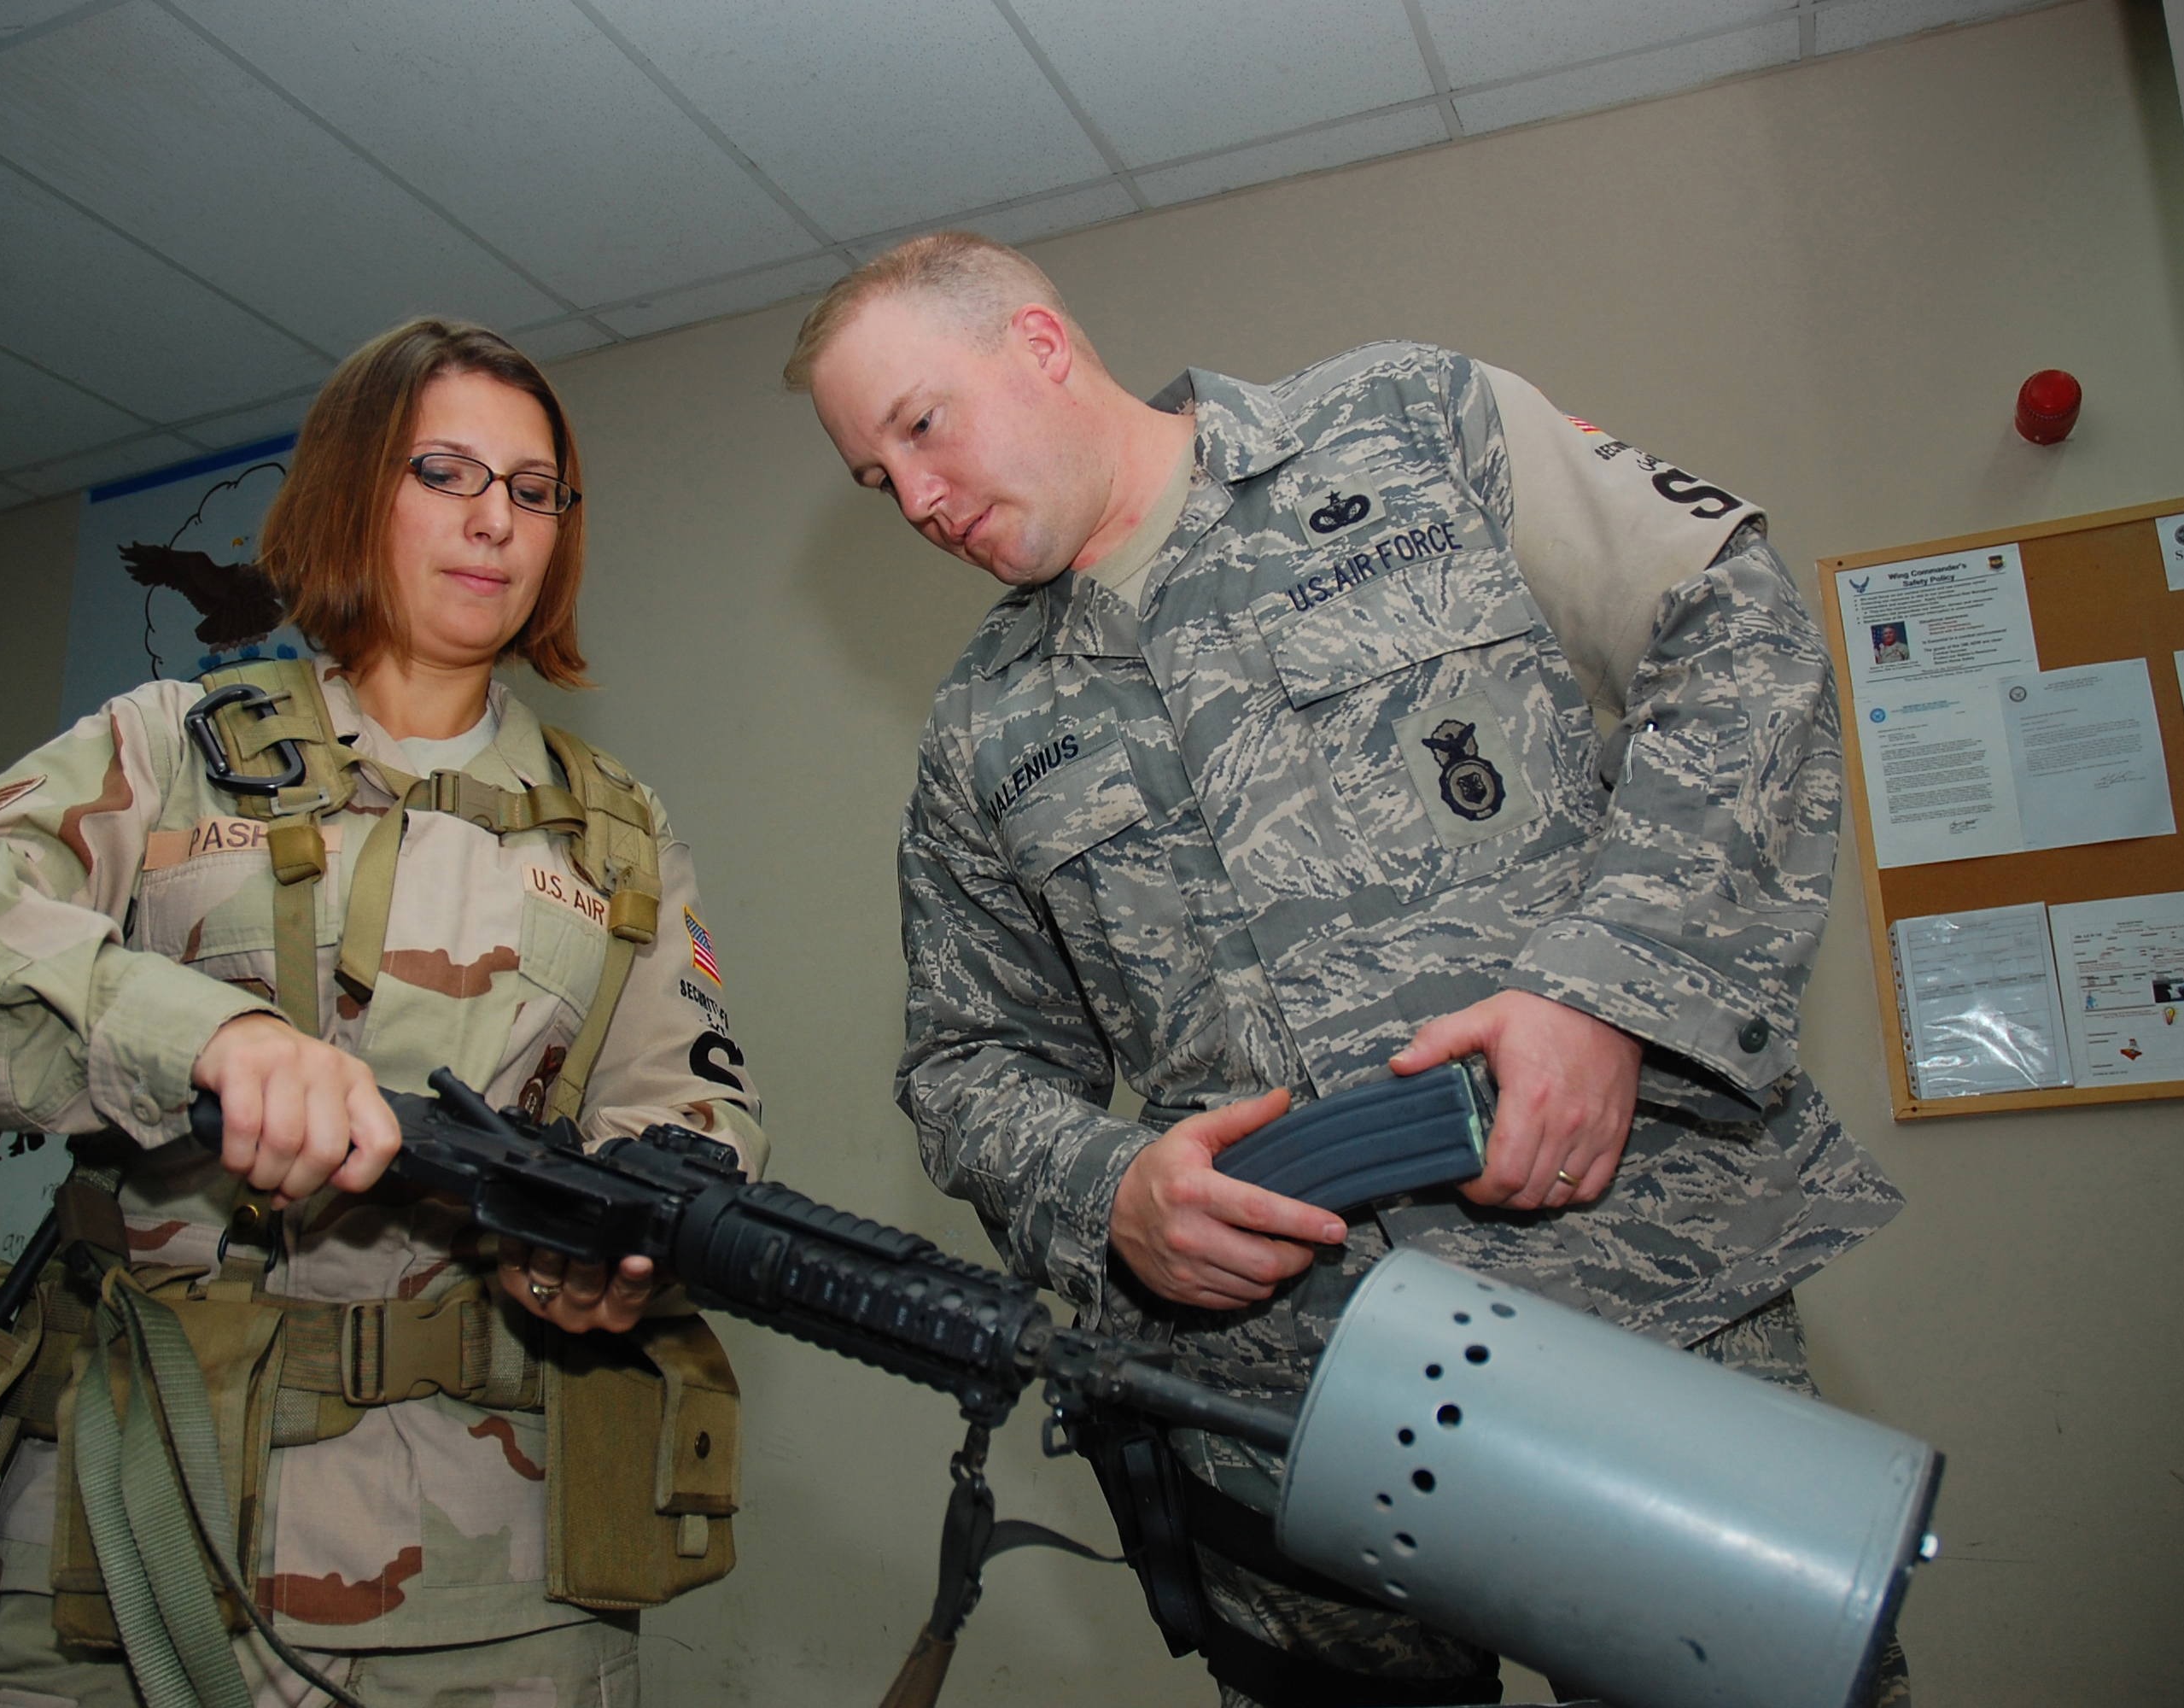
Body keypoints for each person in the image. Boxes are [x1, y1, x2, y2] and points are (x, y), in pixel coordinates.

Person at [786, 234, 1907, 1708]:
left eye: (921, 428)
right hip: (1276, 1401)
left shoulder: (1409, 426)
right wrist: (1110, 1189)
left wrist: (1610, 990)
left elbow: (1739, 630)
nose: (919, 502)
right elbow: (966, 1066)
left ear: (1042, 348)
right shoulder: (981, 731)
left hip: (1636, 1303)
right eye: (879, 482)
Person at [0, 319, 764, 1707]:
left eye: (532, 489)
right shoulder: (169, 748)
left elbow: (697, 1109)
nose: (493, 522)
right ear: (351, 489)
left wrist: (614, 1241)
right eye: (444, 471)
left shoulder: (622, 832)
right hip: (135, 1536)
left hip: (497, 1581)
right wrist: (202, 1035)